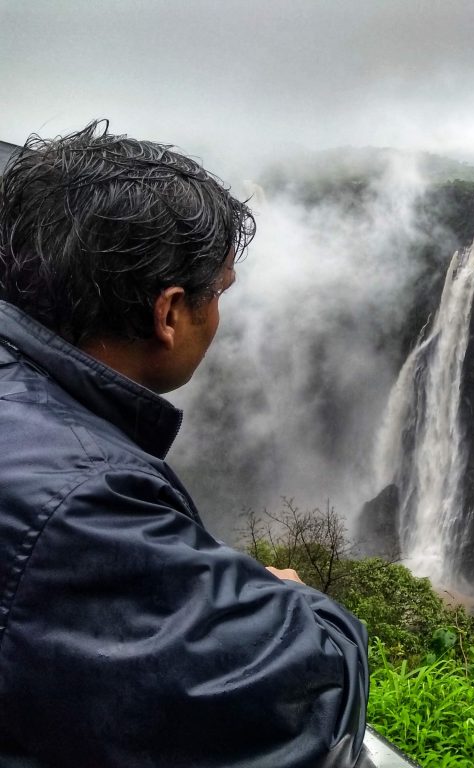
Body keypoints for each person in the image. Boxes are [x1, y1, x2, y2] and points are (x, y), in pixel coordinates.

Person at [0, 121, 369, 767]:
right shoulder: (76, 502)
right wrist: (296, 599)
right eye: (219, 293)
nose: (220, 316)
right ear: (168, 313)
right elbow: (297, 699)